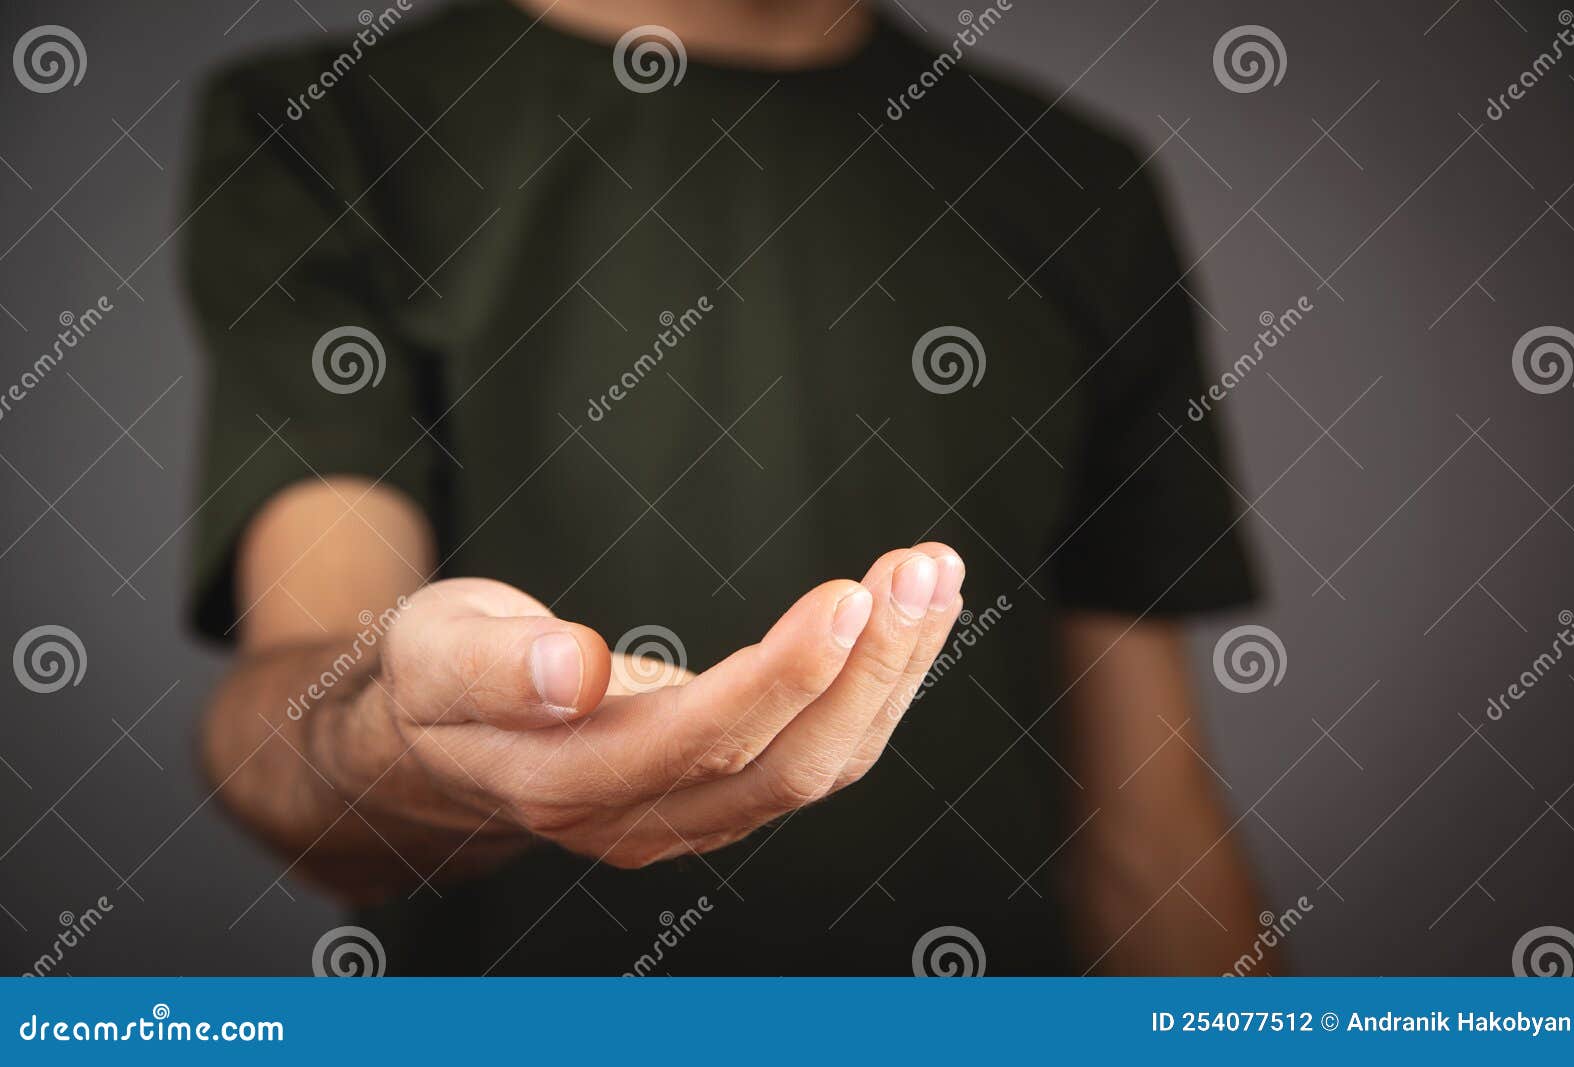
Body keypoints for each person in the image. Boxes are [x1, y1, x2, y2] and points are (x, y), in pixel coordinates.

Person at [186, 0, 1273, 975]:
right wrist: (417, 729)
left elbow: (1150, 842)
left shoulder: (1075, 181)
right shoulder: (335, 123)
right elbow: (298, 717)